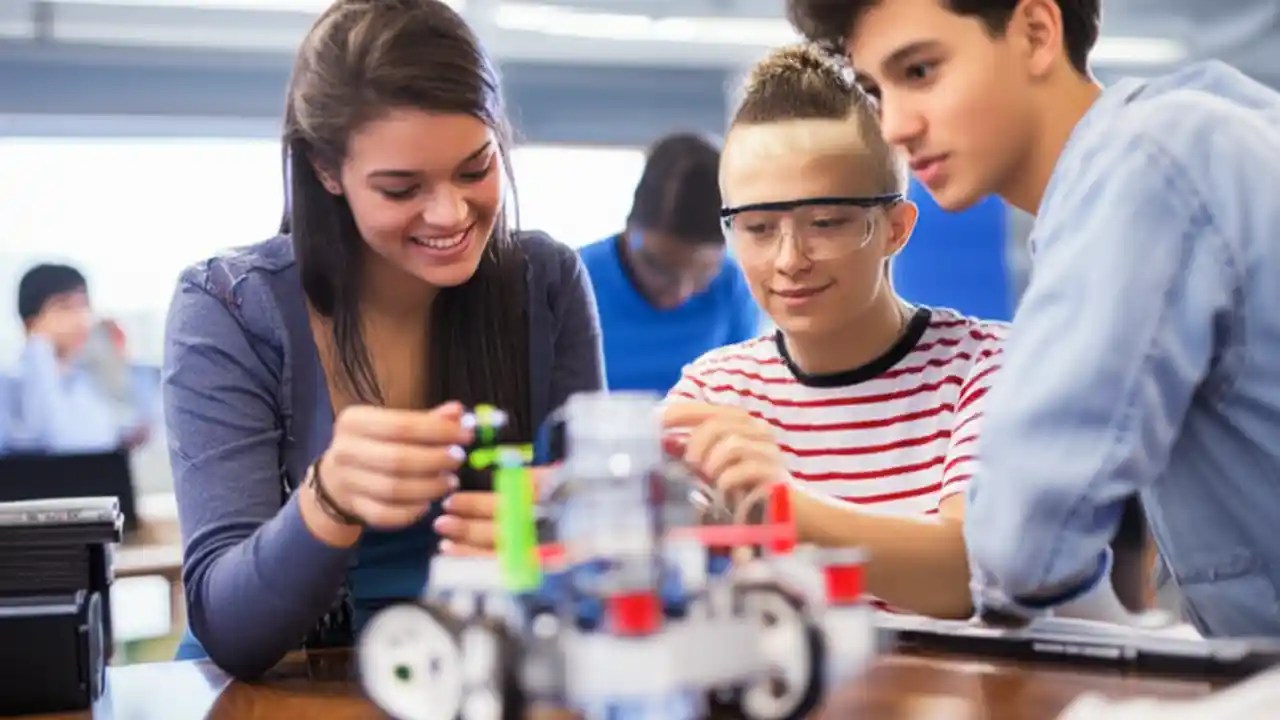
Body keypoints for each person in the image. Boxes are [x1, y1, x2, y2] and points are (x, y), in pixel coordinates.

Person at [439, 44, 1006, 619]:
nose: (789, 259)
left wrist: (783, 510)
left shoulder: (985, 370)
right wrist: (565, 528)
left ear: (895, 228)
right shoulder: (716, 389)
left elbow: (973, 579)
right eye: (758, 228)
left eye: (827, 223)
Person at [786, 0, 1280, 636]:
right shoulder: (1198, 120)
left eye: (920, 71)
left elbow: (1020, 548)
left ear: (1037, 33)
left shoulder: (1144, 166)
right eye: (877, 90)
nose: (895, 127)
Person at [162, 0, 603, 679]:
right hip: (282, 694)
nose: (451, 213)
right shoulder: (228, 308)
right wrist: (328, 499)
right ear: (325, 171)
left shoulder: (544, 283)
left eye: (474, 167)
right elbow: (233, 630)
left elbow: (594, 559)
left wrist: (555, 531)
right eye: (401, 189)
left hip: (470, 678)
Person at [578, 133, 760, 393]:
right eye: (657, 267)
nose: (677, 295)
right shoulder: (573, 281)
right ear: (629, 227)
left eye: (702, 275)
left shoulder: (733, 288)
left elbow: (744, 400)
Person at [4, 264, 148, 454]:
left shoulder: (87, 383)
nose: (80, 318)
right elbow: (51, 437)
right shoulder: (12, 385)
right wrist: (38, 346)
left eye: (84, 305)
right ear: (32, 320)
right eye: (64, 307)